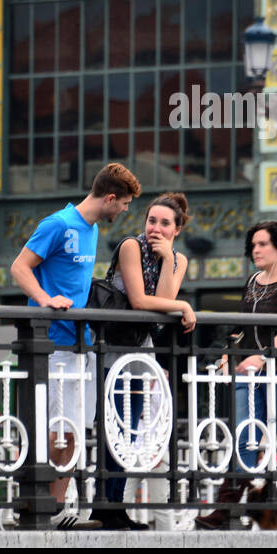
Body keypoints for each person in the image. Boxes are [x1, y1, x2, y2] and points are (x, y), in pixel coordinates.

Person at [9, 162, 140, 530]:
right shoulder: (58, 224)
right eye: (125, 204)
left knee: (75, 431)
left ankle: (56, 508)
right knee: (56, 432)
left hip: (81, 344)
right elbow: (20, 267)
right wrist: (45, 298)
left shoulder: (93, 228)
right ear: (110, 198)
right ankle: (34, 506)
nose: (125, 211)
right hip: (53, 346)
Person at [197, 220, 277, 530]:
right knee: (244, 440)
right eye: (253, 245)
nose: (256, 250)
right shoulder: (253, 280)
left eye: (263, 244)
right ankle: (226, 512)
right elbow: (241, 326)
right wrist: (227, 352)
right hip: (249, 371)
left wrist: (262, 357)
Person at [101, 192, 196, 530]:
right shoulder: (131, 247)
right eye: (151, 220)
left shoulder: (178, 259)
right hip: (112, 346)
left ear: (177, 229)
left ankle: (115, 506)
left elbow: (165, 300)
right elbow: (142, 301)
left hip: (143, 350)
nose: (155, 228)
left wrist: (169, 260)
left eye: (164, 223)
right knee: (112, 424)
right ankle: (104, 505)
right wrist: (185, 307)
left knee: (130, 428)